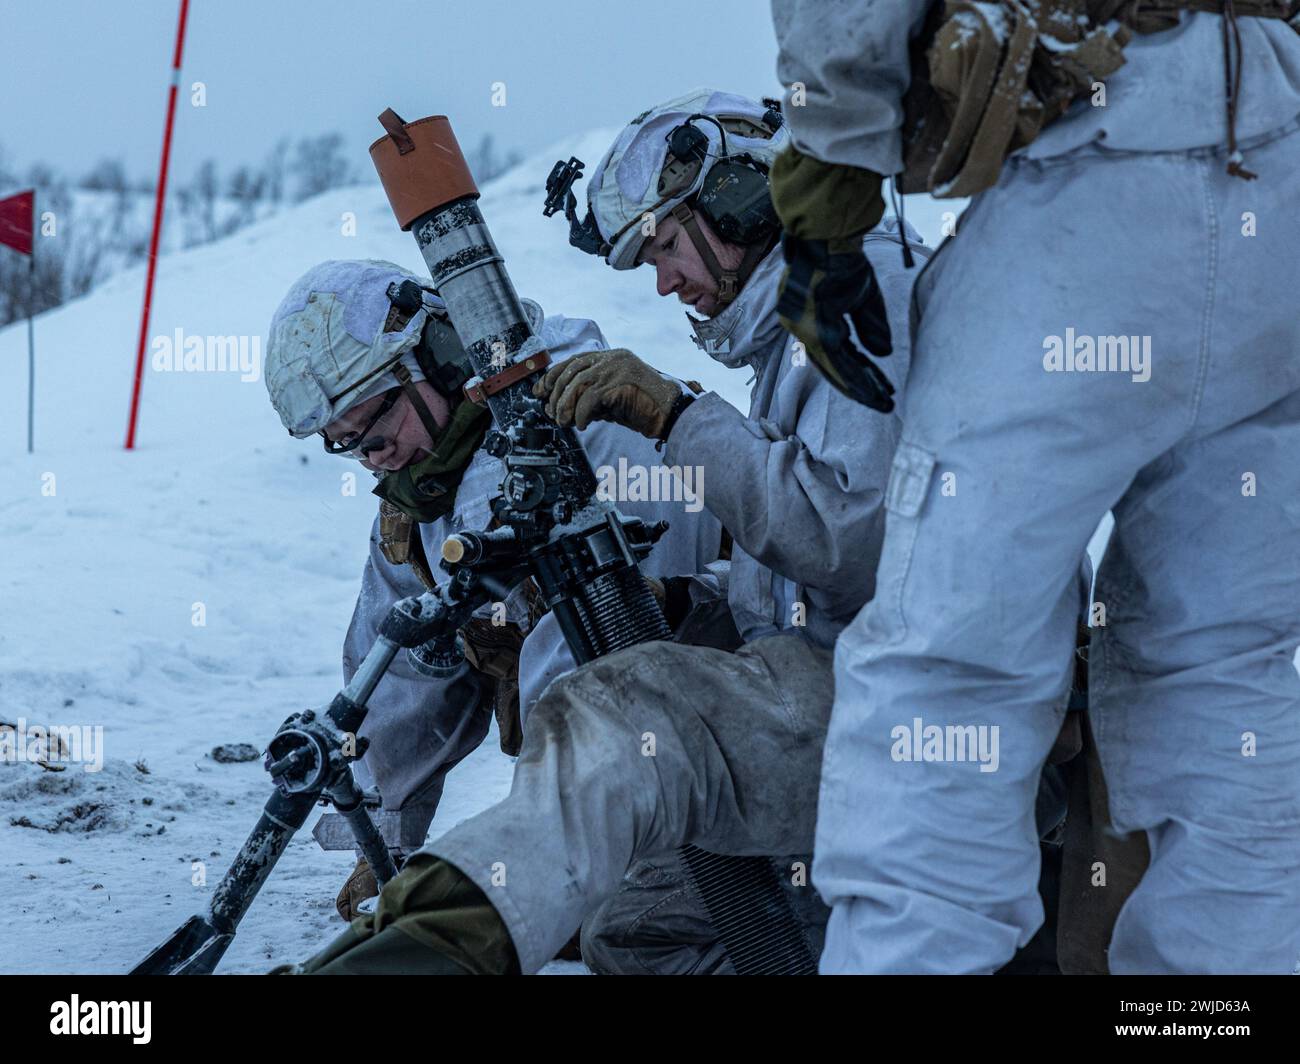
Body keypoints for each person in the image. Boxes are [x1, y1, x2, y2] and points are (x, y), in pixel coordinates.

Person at [283, 89, 1034, 977]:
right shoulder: (799, 334)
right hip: (851, 684)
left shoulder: (858, 304)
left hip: (911, 710)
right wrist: (689, 601)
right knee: (631, 918)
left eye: (667, 246)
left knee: (622, 747)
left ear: (739, 197)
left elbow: (846, 540)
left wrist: (678, 416)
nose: (667, 283)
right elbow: (806, 583)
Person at [769, 0, 1300, 973]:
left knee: (950, 672)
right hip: (1277, 163)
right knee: (1223, 670)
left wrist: (828, 190)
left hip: (1092, 155)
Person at [263, 259, 721, 920]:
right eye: (350, 447)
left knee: (628, 937)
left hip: (709, 755)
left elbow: (594, 670)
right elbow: (401, 669)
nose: (374, 458)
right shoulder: (424, 487)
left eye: (378, 431)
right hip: (606, 785)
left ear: (438, 359)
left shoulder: (581, 432)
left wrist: (533, 861)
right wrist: (385, 847)